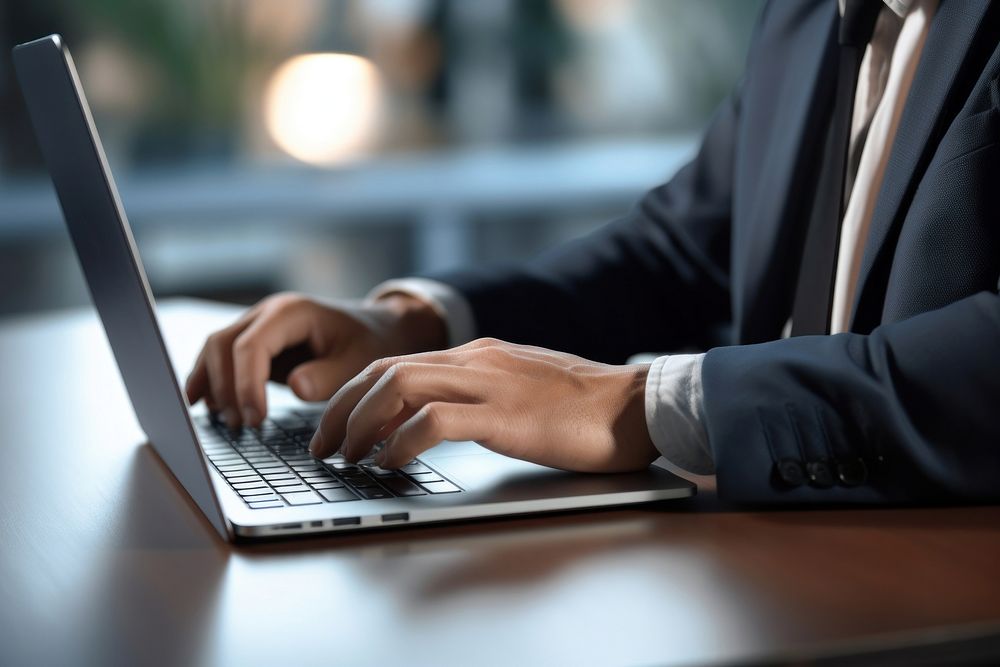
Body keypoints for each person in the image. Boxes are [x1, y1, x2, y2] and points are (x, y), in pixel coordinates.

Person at [185, 0, 1000, 504]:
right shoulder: (805, 16)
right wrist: (418, 323)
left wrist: (640, 404)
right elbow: (678, 252)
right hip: (764, 566)